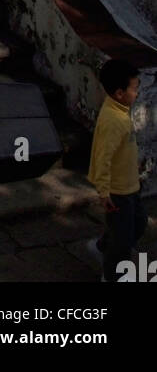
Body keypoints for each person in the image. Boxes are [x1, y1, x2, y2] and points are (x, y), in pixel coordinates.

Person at [86, 59, 147, 282]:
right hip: (118, 191)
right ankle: (111, 275)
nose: (137, 92)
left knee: (138, 224)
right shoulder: (112, 120)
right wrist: (104, 191)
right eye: (134, 88)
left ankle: (103, 246)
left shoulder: (121, 109)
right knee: (122, 241)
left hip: (131, 184)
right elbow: (102, 159)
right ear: (120, 93)